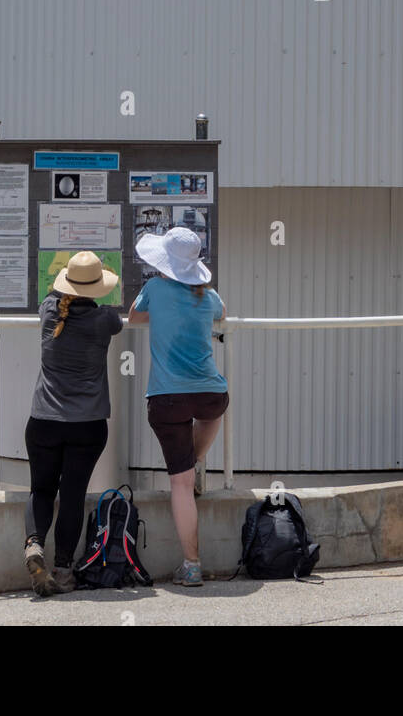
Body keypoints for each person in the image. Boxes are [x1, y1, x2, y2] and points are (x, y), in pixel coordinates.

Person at [127, 225, 227, 587]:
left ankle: (192, 564)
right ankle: (195, 461)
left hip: (167, 396)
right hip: (210, 392)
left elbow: (134, 317)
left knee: (180, 484)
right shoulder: (206, 294)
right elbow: (222, 310)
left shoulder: (154, 288)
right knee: (214, 412)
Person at [23, 249, 122, 596]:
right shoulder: (104, 320)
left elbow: (55, 297)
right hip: (87, 424)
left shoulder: (48, 311)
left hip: (44, 421)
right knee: (73, 495)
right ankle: (64, 571)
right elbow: (117, 321)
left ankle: (34, 544)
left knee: (41, 489)